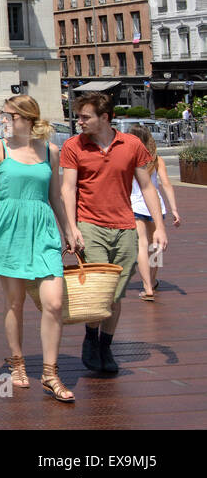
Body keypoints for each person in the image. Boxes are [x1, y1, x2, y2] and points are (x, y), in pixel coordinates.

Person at [0, 95, 74, 402]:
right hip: (9, 228)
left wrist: (69, 229)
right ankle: (17, 362)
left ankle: (50, 373)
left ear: (27, 118)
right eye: (4, 115)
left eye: (9, 116)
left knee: (54, 303)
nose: (4, 120)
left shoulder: (51, 151)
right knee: (15, 303)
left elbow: (55, 195)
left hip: (42, 228)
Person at [61, 92, 167, 374]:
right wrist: (71, 228)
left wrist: (160, 227)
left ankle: (105, 346)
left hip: (125, 227)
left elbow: (147, 187)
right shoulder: (74, 146)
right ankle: (90, 339)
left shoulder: (131, 144)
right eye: (78, 116)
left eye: (85, 117)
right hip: (90, 225)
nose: (79, 122)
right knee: (99, 292)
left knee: (115, 296)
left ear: (105, 117)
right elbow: (67, 189)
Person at [127, 124, 181, 301]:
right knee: (155, 246)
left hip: (134, 204)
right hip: (155, 205)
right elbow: (166, 184)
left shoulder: (127, 157)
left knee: (142, 245)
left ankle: (147, 286)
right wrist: (174, 209)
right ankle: (152, 279)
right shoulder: (155, 159)